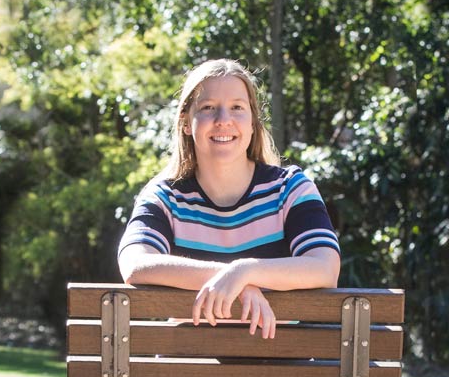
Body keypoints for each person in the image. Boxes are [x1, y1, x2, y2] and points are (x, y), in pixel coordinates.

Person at [118, 59, 340, 338]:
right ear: (186, 123)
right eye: (208, 108)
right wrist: (235, 279)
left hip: (273, 376)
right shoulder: (166, 196)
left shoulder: (290, 189)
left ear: (252, 123)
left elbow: (324, 267)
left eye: (237, 107)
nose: (224, 119)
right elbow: (135, 264)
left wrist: (244, 270)